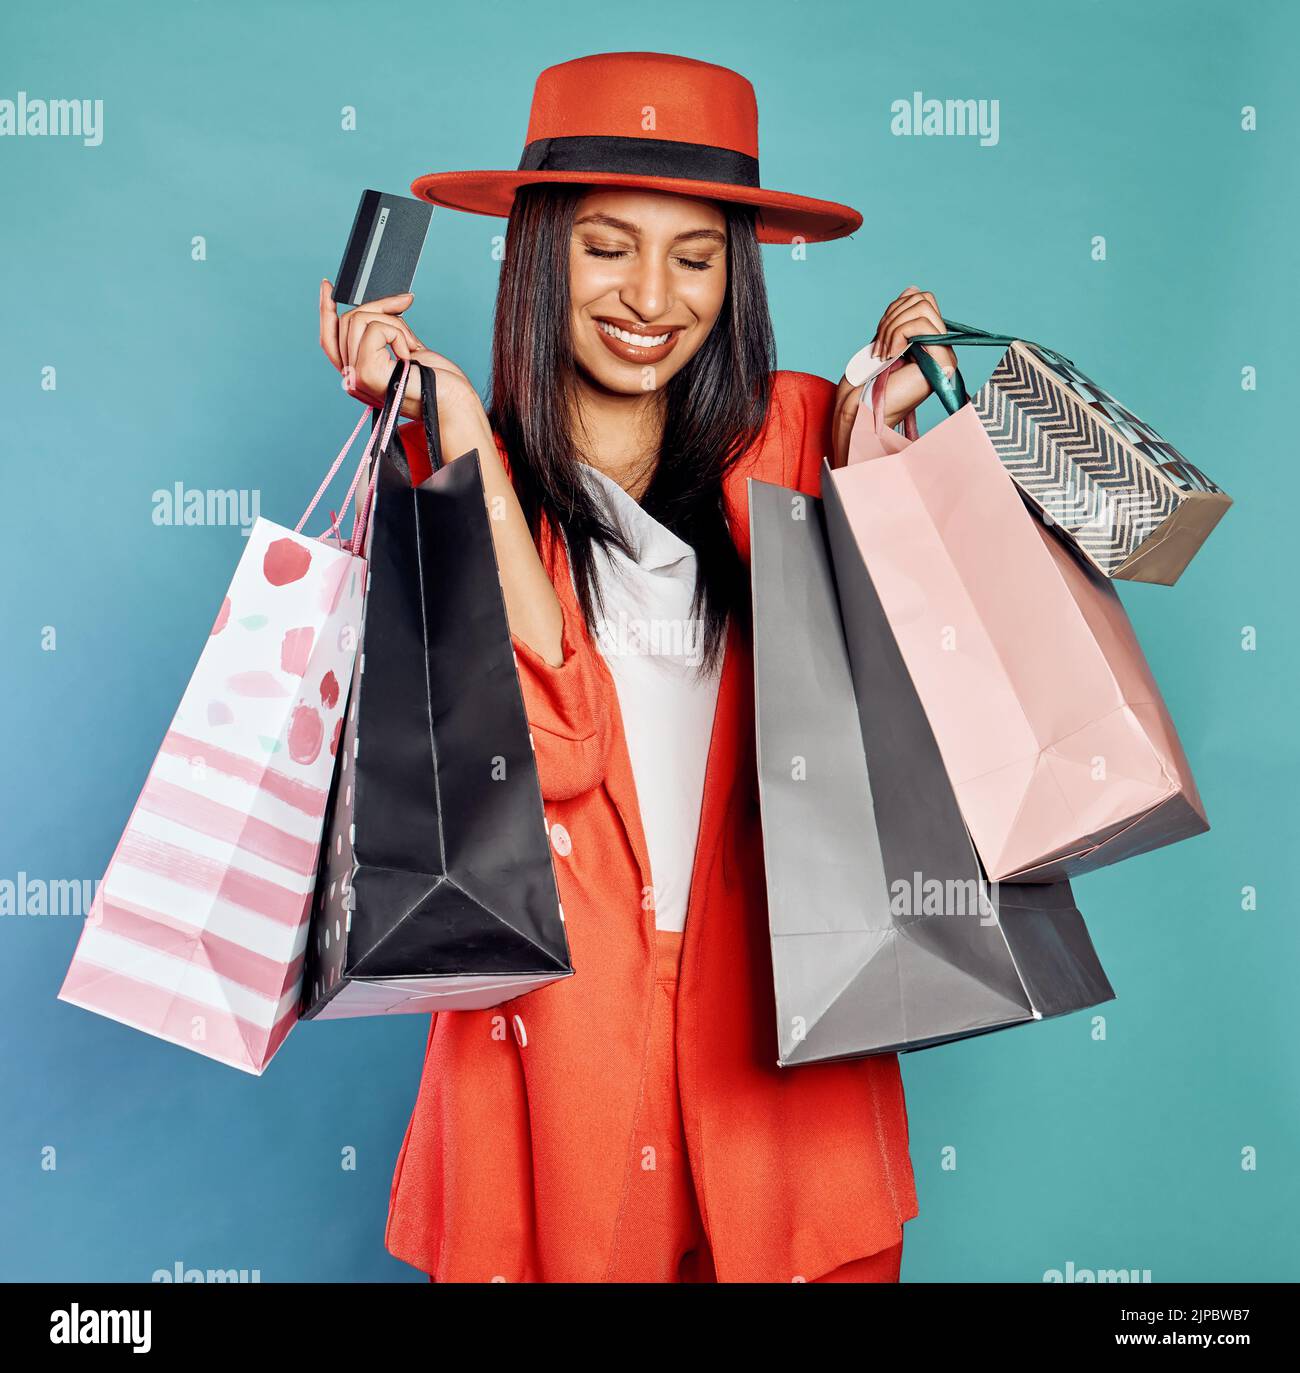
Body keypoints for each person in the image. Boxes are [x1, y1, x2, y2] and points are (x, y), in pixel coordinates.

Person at [318, 50, 957, 1284]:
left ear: (737, 273)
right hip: (550, 1042)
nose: (650, 295)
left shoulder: (797, 439)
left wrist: (894, 446)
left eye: (696, 256)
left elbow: (913, 701)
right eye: (608, 246)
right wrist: (457, 449)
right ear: (539, 250)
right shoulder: (461, 468)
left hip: (778, 1031)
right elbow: (551, 748)